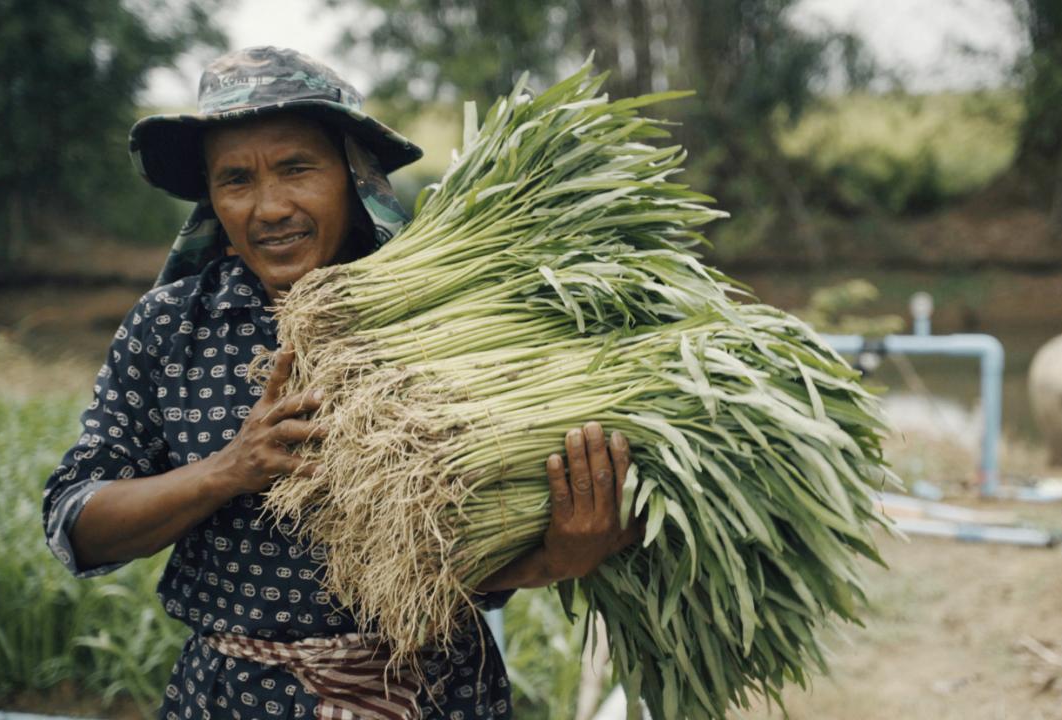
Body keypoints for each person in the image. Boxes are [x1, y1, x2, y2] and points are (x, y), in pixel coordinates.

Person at [42, 46, 637, 720]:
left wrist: (560, 554)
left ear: (354, 175)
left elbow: (476, 559)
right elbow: (74, 523)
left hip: (432, 698)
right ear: (211, 197)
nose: (269, 207)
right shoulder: (171, 328)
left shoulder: (455, 316)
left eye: (297, 168)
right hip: (233, 701)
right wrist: (227, 470)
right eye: (235, 179)